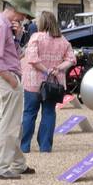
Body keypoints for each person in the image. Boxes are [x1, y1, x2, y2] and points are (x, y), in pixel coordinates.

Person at [0, 0, 36, 180]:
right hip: (6, 79)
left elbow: (12, 54)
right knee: (9, 125)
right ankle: (0, 167)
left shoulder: (1, 25)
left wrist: (17, 37)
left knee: (9, 123)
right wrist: (12, 80)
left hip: (2, 79)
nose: (24, 19)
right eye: (23, 14)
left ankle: (17, 163)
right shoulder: (1, 26)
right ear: (16, 10)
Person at [20, 10, 75, 154]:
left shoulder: (36, 37)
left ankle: (24, 146)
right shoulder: (63, 40)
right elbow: (71, 59)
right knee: (49, 113)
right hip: (54, 83)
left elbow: (32, 59)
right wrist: (57, 69)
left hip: (33, 81)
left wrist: (46, 70)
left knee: (29, 113)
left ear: (42, 23)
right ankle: (45, 146)